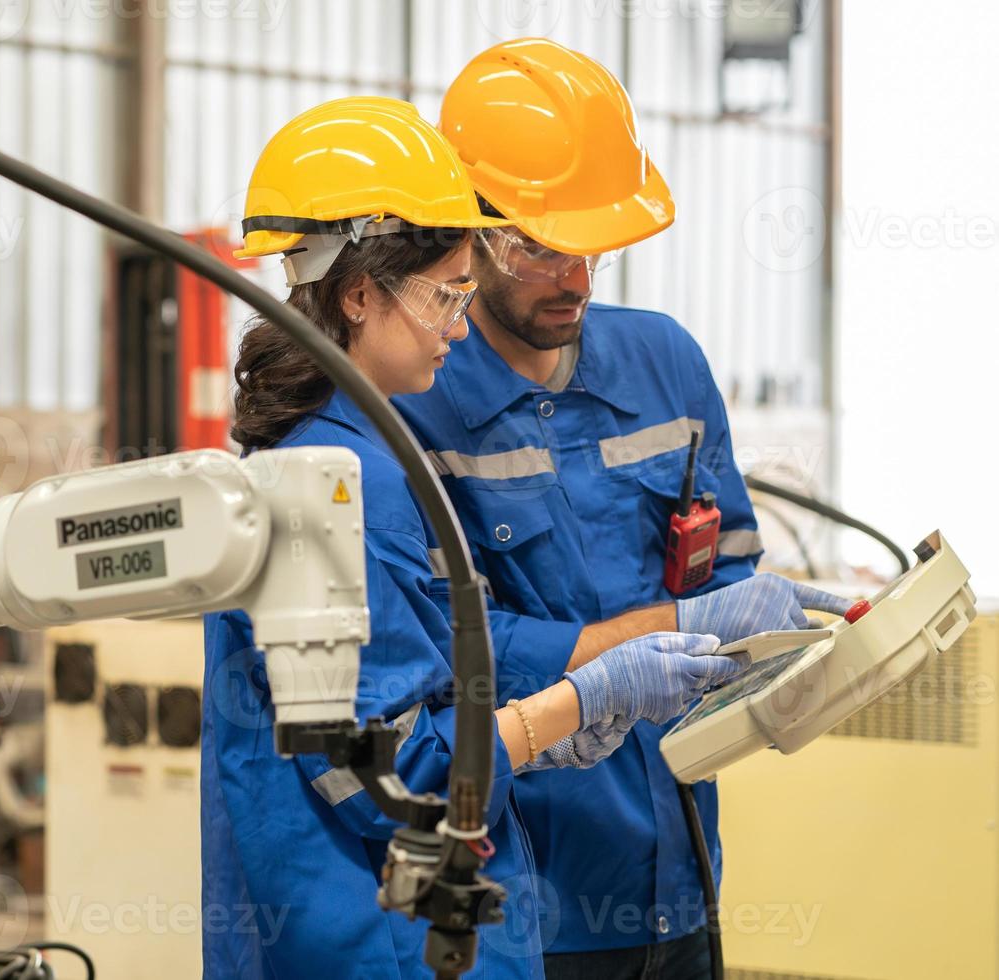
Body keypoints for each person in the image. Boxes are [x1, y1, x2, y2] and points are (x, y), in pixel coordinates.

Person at [200, 96, 744, 979]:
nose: (462, 324)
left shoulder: (341, 452)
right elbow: (400, 779)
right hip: (382, 943)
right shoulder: (349, 480)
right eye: (448, 295)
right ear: (359, 293)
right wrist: (574, 703)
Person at [393, 39, 852, 979]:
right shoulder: (413, 407)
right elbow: (441, 651)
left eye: (592, 245)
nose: (575, 278)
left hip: (680, 871)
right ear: (466, 235)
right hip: (522, 900)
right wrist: (650, 641)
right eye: (540, 247)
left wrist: (783, 655)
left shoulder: (666, 366)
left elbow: (723, 576)